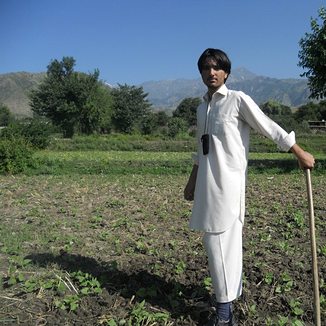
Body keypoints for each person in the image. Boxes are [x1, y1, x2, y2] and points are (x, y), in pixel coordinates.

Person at [184, 48, 315, 326]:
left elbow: (268, 126)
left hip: (228, 185)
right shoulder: (201, 108)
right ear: (201, 73)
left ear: (226, 72)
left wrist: (298, 151)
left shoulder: (237, 101)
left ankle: (224, 311)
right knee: (222, 243)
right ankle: (228, 301)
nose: (211, 72)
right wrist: (192, 179)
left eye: (217, 67)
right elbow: (200, 147)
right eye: (206, 68)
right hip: (207, 183)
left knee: (219, 241)